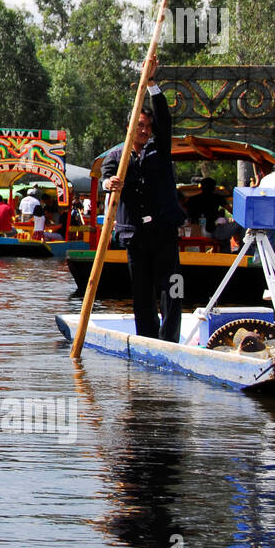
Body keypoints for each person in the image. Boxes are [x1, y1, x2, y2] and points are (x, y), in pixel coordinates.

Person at [101, 64, 185, 342]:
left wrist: (151, 84)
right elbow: (106, 179)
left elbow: (164, 117)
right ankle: (147, 340)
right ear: (129, 128)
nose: (145, 130)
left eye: (148, 126)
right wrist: (109, 184)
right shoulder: (116, 156)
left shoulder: (159, 149)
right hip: (135, 236)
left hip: (163, 231)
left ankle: (170, 339)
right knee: (142, 293)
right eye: (139, 126)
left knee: (173, 288)